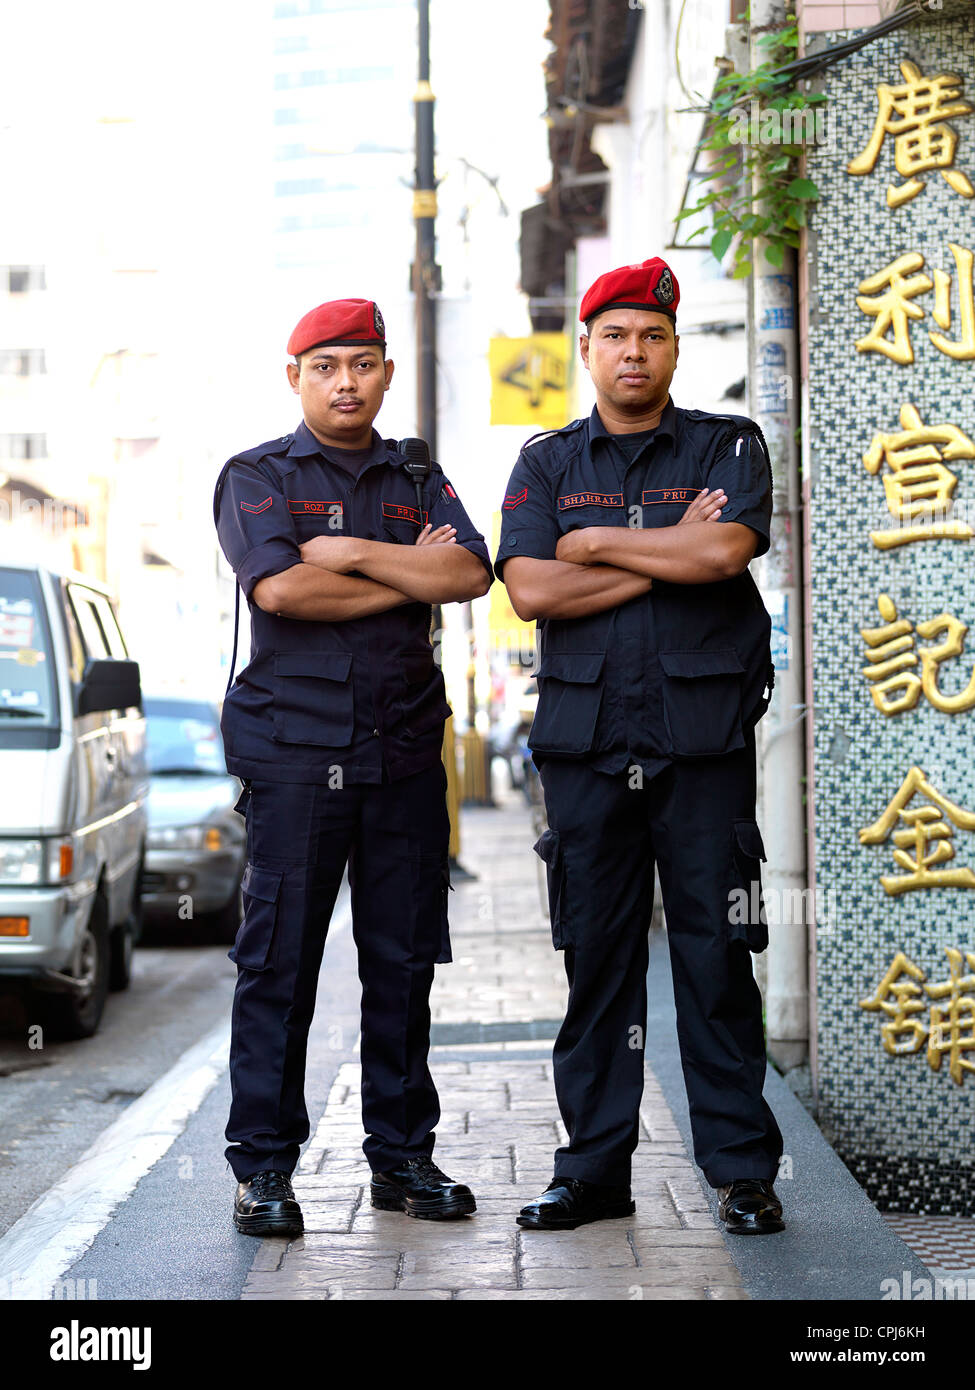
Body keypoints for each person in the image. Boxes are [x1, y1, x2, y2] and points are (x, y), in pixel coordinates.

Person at [494, 258, 785, 1235]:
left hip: (701, 749)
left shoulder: (728, 445)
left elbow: (722, 553)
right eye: (614, 335)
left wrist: (591, 546)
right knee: (598, 966)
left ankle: (742, 1170)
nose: (633, 351)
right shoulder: (545, 465)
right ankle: (593, 1170)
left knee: (716, 958)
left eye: (651, 335)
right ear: (585, 348)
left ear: (671, 346)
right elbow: (531, 590)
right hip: (586, 749)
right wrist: (652, 555)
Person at [213, 297, 493, 1237]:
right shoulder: (256, 475)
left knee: (404, 962)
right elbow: (282, 586)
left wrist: (355, 554)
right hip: (295, 758)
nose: (346, 381)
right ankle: (263, 1169)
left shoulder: (417, 473)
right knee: (278, 966)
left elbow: (466, 577)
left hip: (406, 754)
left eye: (363, 363)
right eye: (326, 365)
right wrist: (401, 570)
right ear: (293, 376)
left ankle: (402, 1159)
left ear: (384, 371)